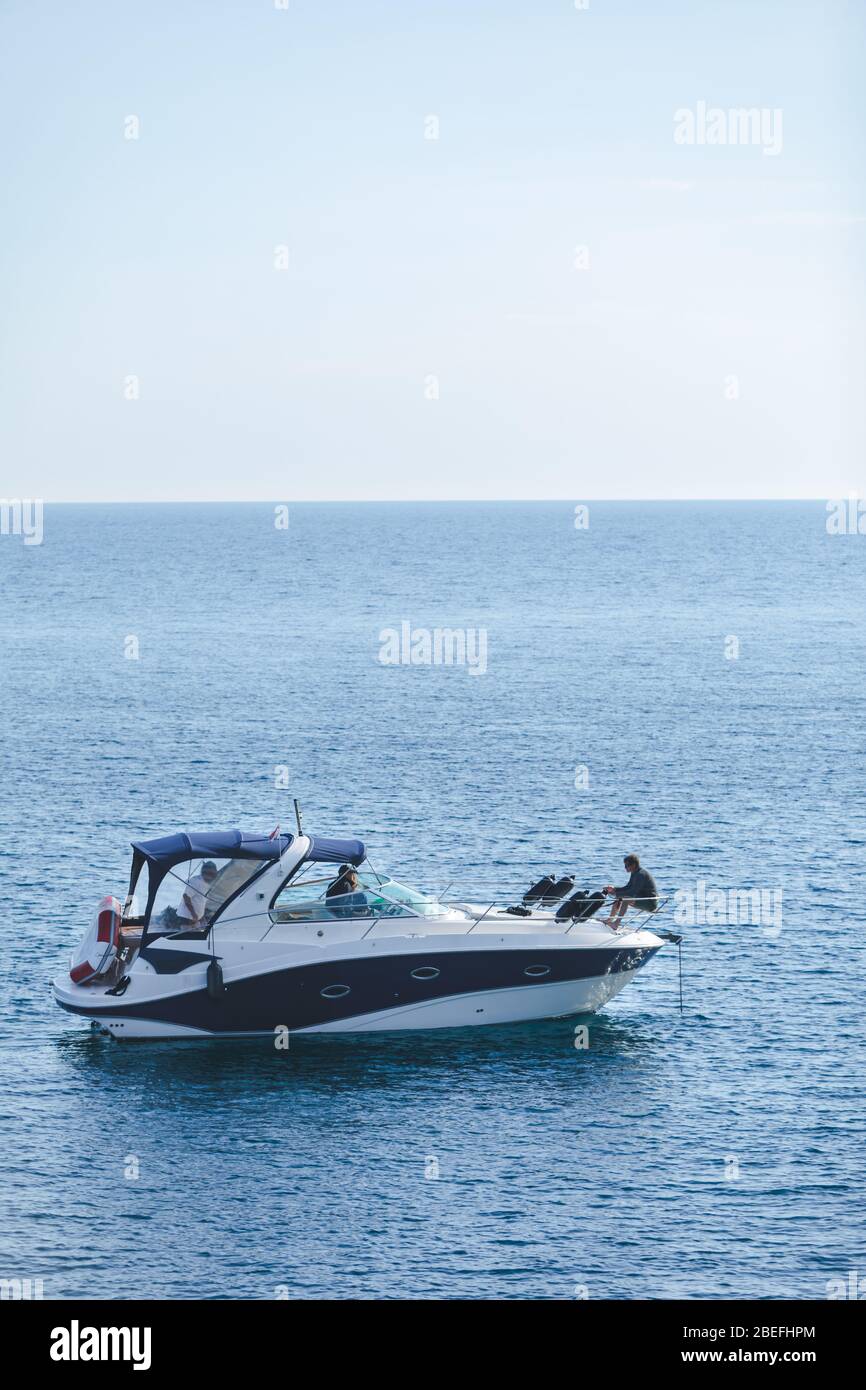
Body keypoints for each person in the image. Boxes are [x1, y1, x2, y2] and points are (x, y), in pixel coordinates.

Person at [159, 860, 219, 933]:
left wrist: (202, 917)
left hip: (196, 919)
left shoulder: (208, 884)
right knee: (187, 937)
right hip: (187, 918)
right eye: (208, 873)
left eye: (212, 874)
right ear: (203, 872)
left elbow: (201, 901)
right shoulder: (196, 881)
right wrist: (193, 914)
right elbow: (186, 896)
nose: (210, 876)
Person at [602, 854, 658, 929]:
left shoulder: (640, 874)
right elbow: (628, 887)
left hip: (650, 903)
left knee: (625, 899)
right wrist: (614, 889)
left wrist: (616, 894)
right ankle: (610, 920)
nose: (625, 868)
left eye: (626, 865)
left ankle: (616, 924)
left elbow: (632, 892)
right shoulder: (634, 872)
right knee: (619, 897)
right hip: (641, 898)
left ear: (634, 865)